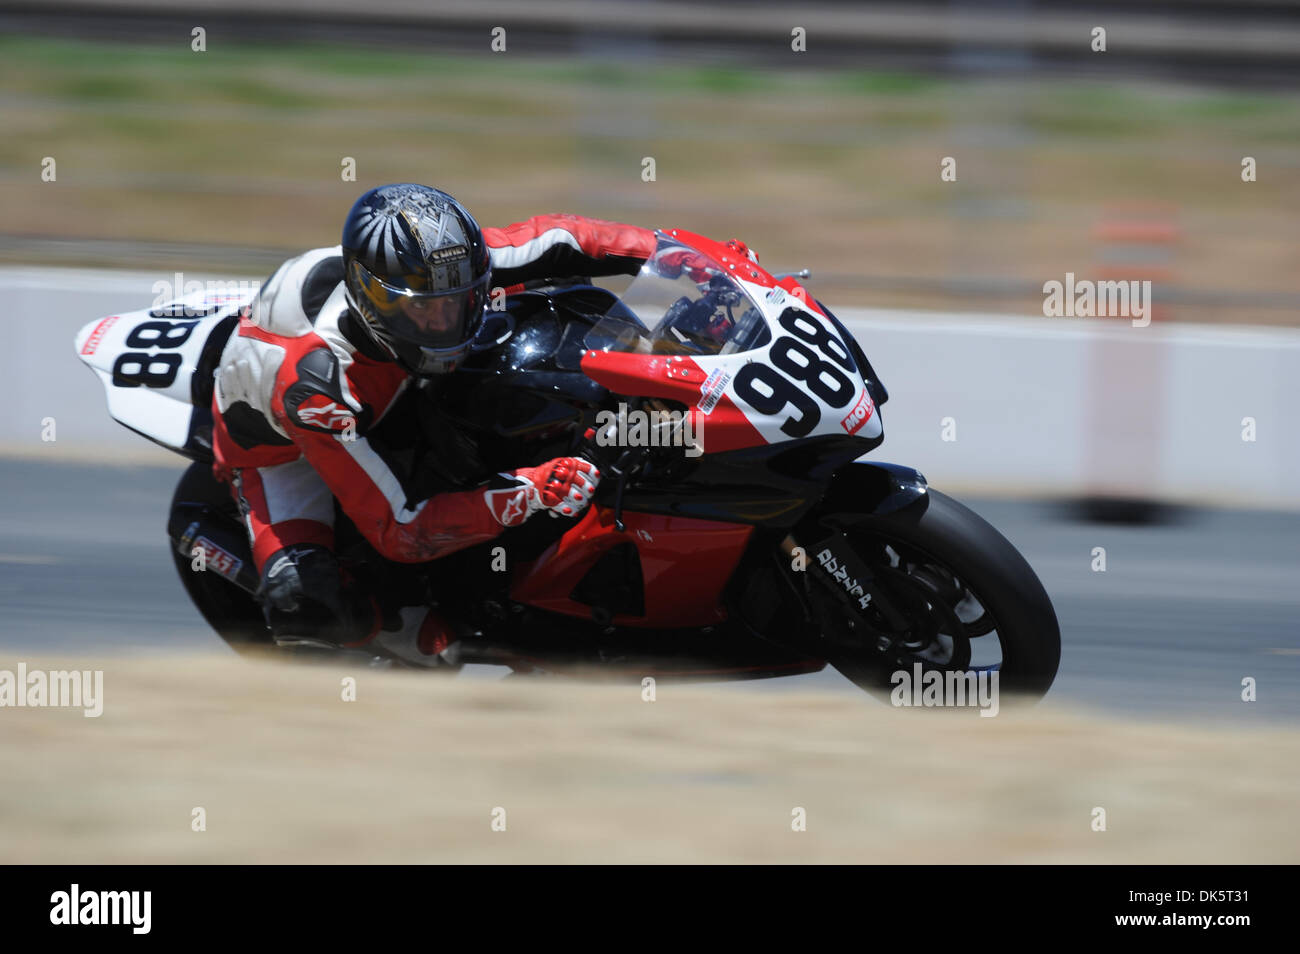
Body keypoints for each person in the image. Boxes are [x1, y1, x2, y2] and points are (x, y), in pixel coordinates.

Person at [210, 183, 659, 665]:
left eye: (459, 299)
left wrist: (679, 252)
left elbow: (567, 238)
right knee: (310, 600)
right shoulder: (317, 386)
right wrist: (533, 491)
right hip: (285, 452)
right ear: (373, 299)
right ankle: (382, 643)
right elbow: (400, 529)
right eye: (424, 307)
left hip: (395, 384)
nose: (446, 320)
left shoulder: (449, 265)